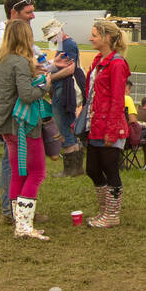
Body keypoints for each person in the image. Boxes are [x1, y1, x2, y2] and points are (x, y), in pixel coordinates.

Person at [0, 20, 52, 239]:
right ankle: (25, 226)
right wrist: (44, 84)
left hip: (7, 126)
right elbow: (27, 95)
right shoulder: (21, 62)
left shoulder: (1, 61)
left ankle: (20, 222)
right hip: (23, 126)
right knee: (36, 173)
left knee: (19, 173)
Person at [0, 0, 37, 223]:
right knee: (13, 162)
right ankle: (11, 211)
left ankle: (19, 208)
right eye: (28, 12)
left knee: (19, 161)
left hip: (18, 109)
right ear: (13, 13)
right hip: (12, 110)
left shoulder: (20, 36)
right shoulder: (1, 39)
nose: (33, 16)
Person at [80, 20, 131, 228]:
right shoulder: (98, 60)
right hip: (95, 123)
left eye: (94, 35)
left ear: (107, 38)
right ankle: (105, 210)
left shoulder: (117, 64)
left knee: (110, 168)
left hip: (109, 125)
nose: (90, 38)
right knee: (92, 168)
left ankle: (112, 214)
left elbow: (117, 99)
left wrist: (111, 130)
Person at [41, 19, 82, 178]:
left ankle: (70, 169)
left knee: (63, 126)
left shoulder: (67, 45)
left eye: (51, 36)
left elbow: (70, 69)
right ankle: (76, 168)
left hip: (63, 89)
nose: (51, 40)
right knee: (68, 125)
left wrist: (51, 78)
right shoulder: (64, 44)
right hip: (62, 88)